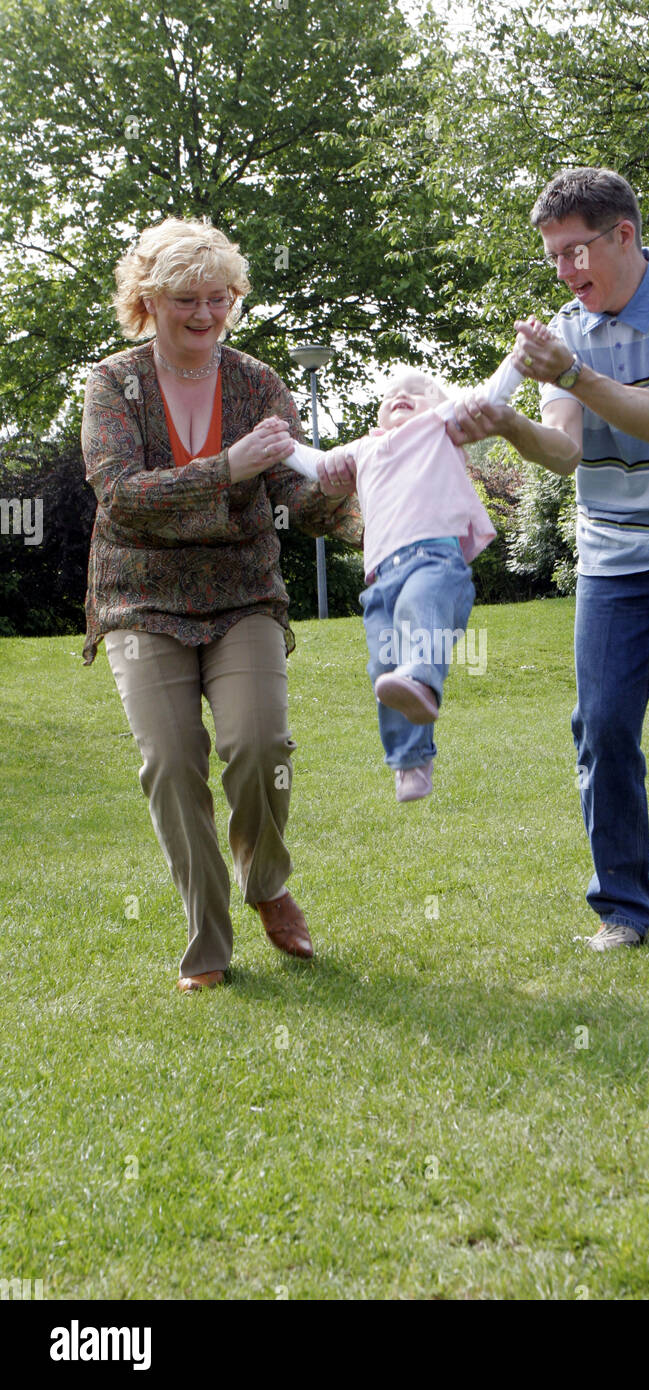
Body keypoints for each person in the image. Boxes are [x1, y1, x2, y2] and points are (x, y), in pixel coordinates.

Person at [446, 167, 649, 957]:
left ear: (623, 235)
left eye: (575, 252)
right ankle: (623, 909)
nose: (565, 272)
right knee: (604, 724)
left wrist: (572, 373)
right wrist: (508, 423)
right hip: (616, 550)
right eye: (554, 258)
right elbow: (562, 452)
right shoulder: (571, 328)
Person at [81, 217, 361, 992]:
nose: (204, 315)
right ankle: (208, 939)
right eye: (185, 300)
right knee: (172, 764)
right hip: (141, 596)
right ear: (148, 300)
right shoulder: (113, 383)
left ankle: (266, 882)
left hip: (243, 593)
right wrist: (225, 466)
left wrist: (345, 485)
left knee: (259, 747)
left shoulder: (259, 382)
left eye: (219, 298)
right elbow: (121, 494)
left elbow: (295, 501)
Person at [264, 364, 512, 801]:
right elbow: (319, 465)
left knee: (420, 617)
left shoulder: (438, 426)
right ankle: (411, 762)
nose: (403, 395)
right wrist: (284, 446)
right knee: (384, 669)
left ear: (439, 405)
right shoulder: (363, 449)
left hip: (434, 560)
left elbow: (489, 396)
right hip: (379, 578)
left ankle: (421, 676)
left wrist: (518, 359)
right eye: (392, 393)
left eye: (418, 391)